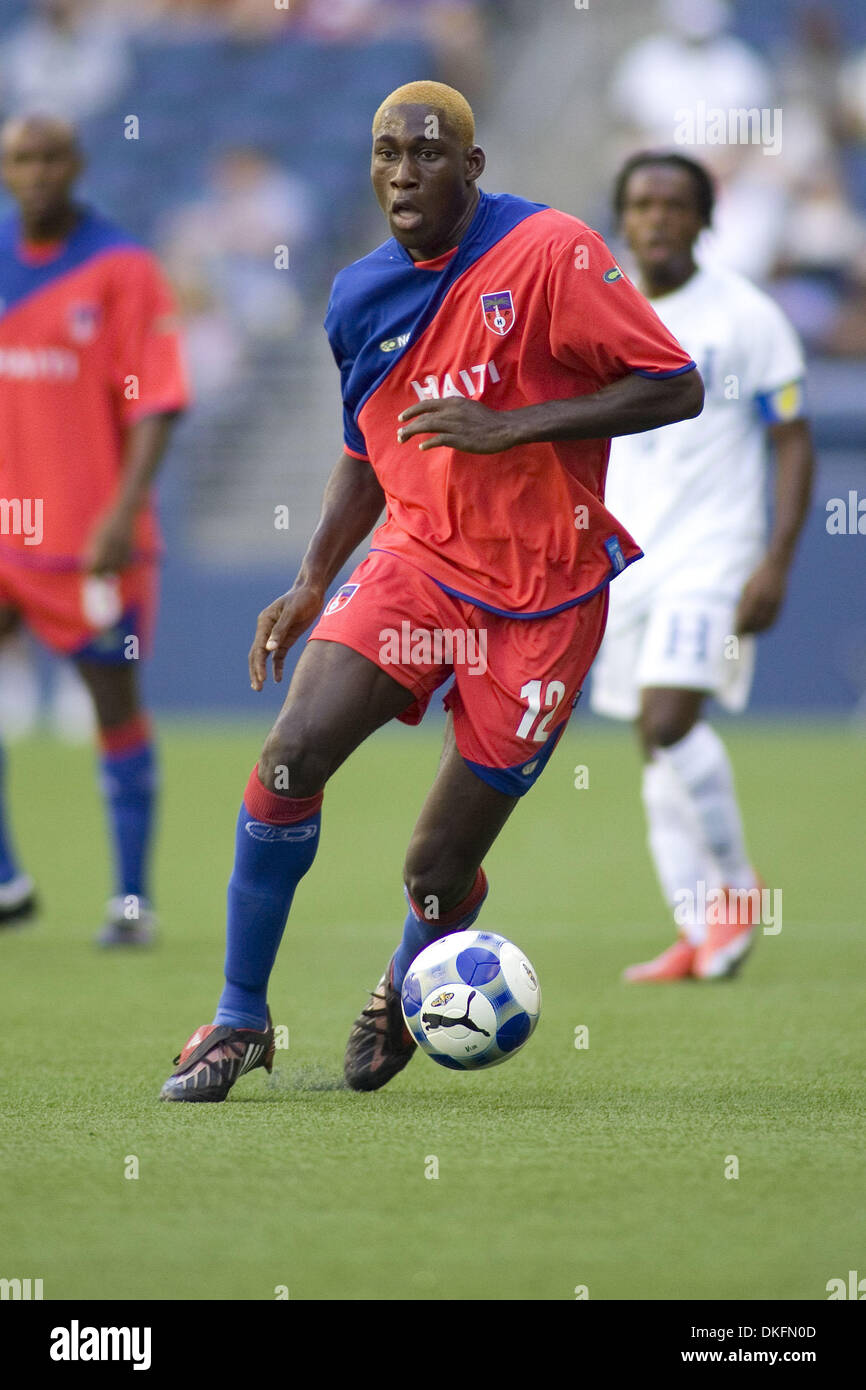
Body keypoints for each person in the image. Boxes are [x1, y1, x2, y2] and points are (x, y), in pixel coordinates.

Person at [159, 81, 702, 1103]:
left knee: (435, 870)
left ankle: (407, 973)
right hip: (417, 566)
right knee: (288, 756)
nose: (403, 173)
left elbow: (676, 383)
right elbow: (367, 446)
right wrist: (313, 576)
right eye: (386, 154)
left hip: (543, 599)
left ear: (472, 164)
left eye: (428, 153)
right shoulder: (358, 293)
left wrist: (514, 425)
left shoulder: (550, 254)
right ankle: (238, 1019)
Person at [589, 151, 814, 982]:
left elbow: (793, 443)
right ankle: (696, 929)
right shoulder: (599, 312)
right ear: (623, 218)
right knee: (653, 748)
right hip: (625, 562)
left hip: (714, 554)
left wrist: (775, 561)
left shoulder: (745, 316)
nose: (657, 219)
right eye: (642, 204)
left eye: (675, 205)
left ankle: (736, 892)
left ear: (705, 219)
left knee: (669, 720)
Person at [0, 114, 189, 943]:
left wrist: (121, 512)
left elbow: (156, 403)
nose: (37, 172)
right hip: (8, 531)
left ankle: (131, 900)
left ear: (76, 164)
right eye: (21, 159)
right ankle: (7, 879)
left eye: (51, 157)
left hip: (92, 539)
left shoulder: (123, 269)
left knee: (113, 706)